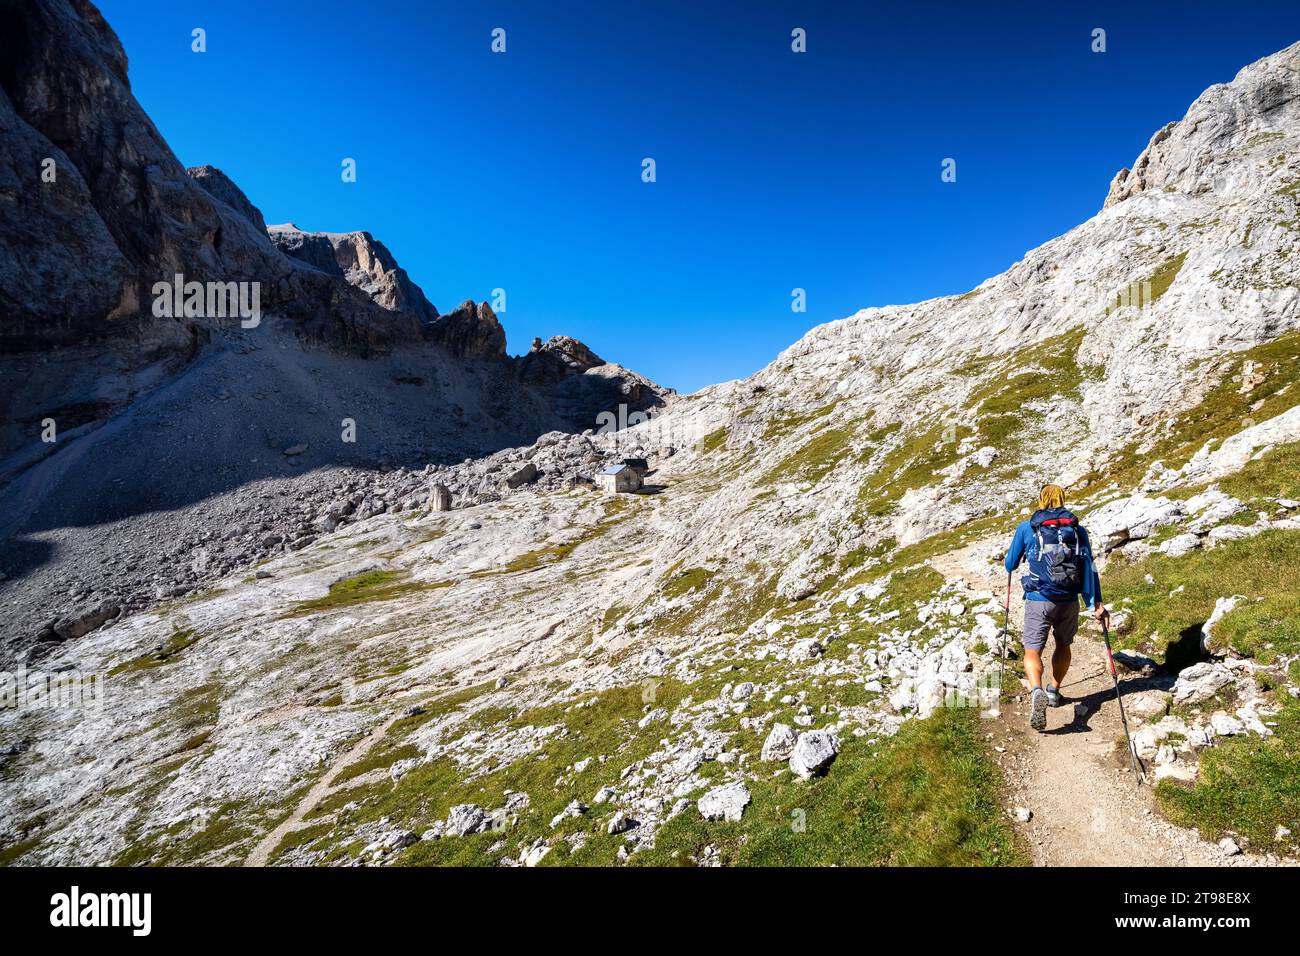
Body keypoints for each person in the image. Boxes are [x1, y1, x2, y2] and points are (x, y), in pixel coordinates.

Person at [1004, 484, 1108, 731]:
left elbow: (1010, 564)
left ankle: (1036, 690)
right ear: (1063, 500)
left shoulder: (1027, 528)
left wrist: (1015, 562)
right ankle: (1053, 691)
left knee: (1032, 651)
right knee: (1063, 645)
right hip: (1069, 600)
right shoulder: (1077, 530)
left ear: (1040, 500)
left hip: (1039, 599)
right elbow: (1088, 567)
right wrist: (1097, 604)